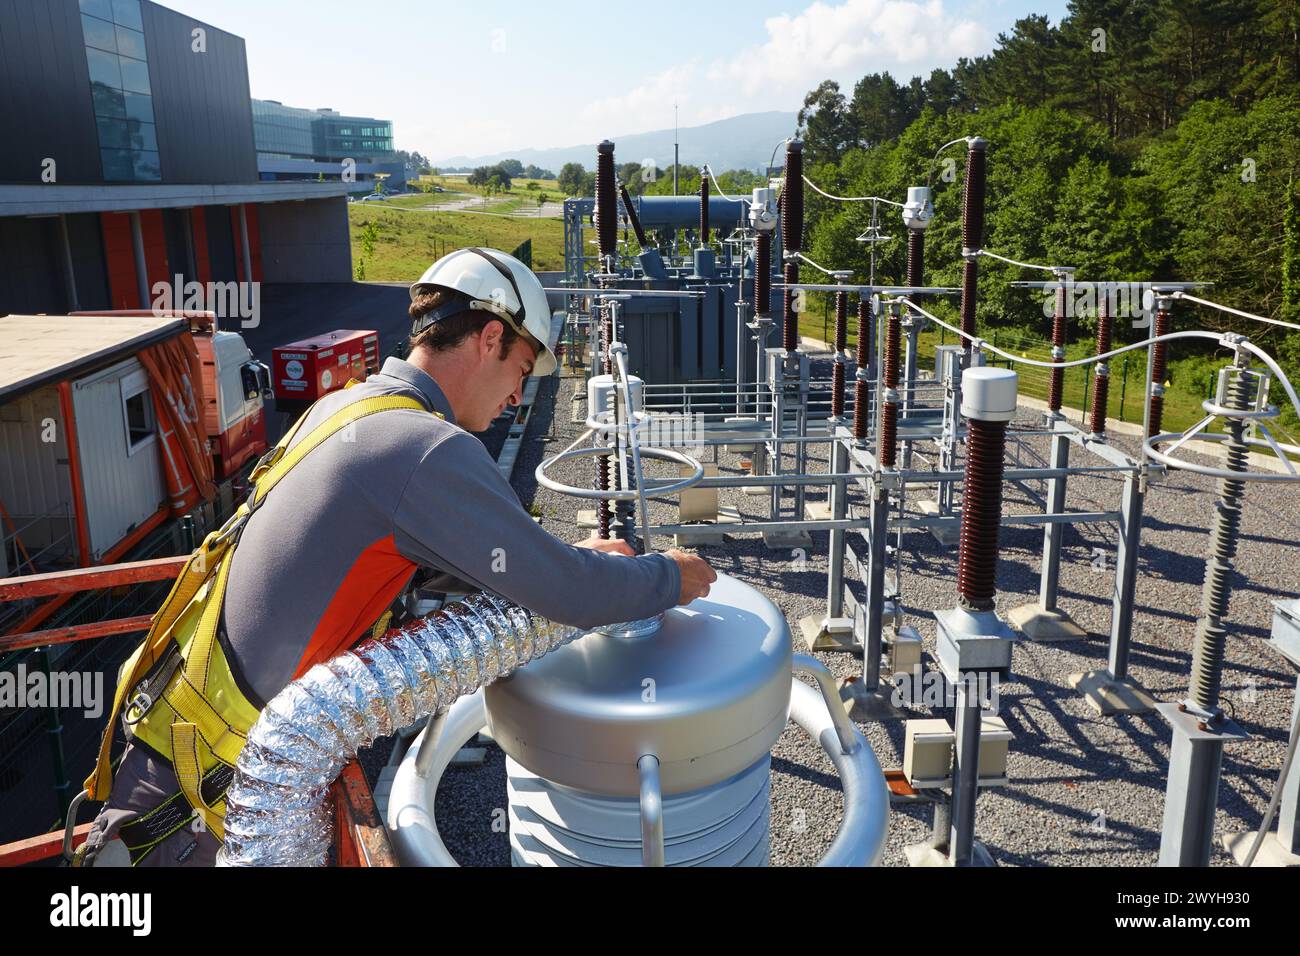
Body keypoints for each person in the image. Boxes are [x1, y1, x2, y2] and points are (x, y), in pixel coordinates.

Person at [79, 247, 716, 866]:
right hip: (201, 813)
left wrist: (553, 559)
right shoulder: (425, 447)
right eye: (522, 369)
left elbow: (464, 553)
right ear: (490, 336)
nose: (517, 398)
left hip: (159, 758)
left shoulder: (345, 406)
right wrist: (665, 576)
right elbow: (567, 592)